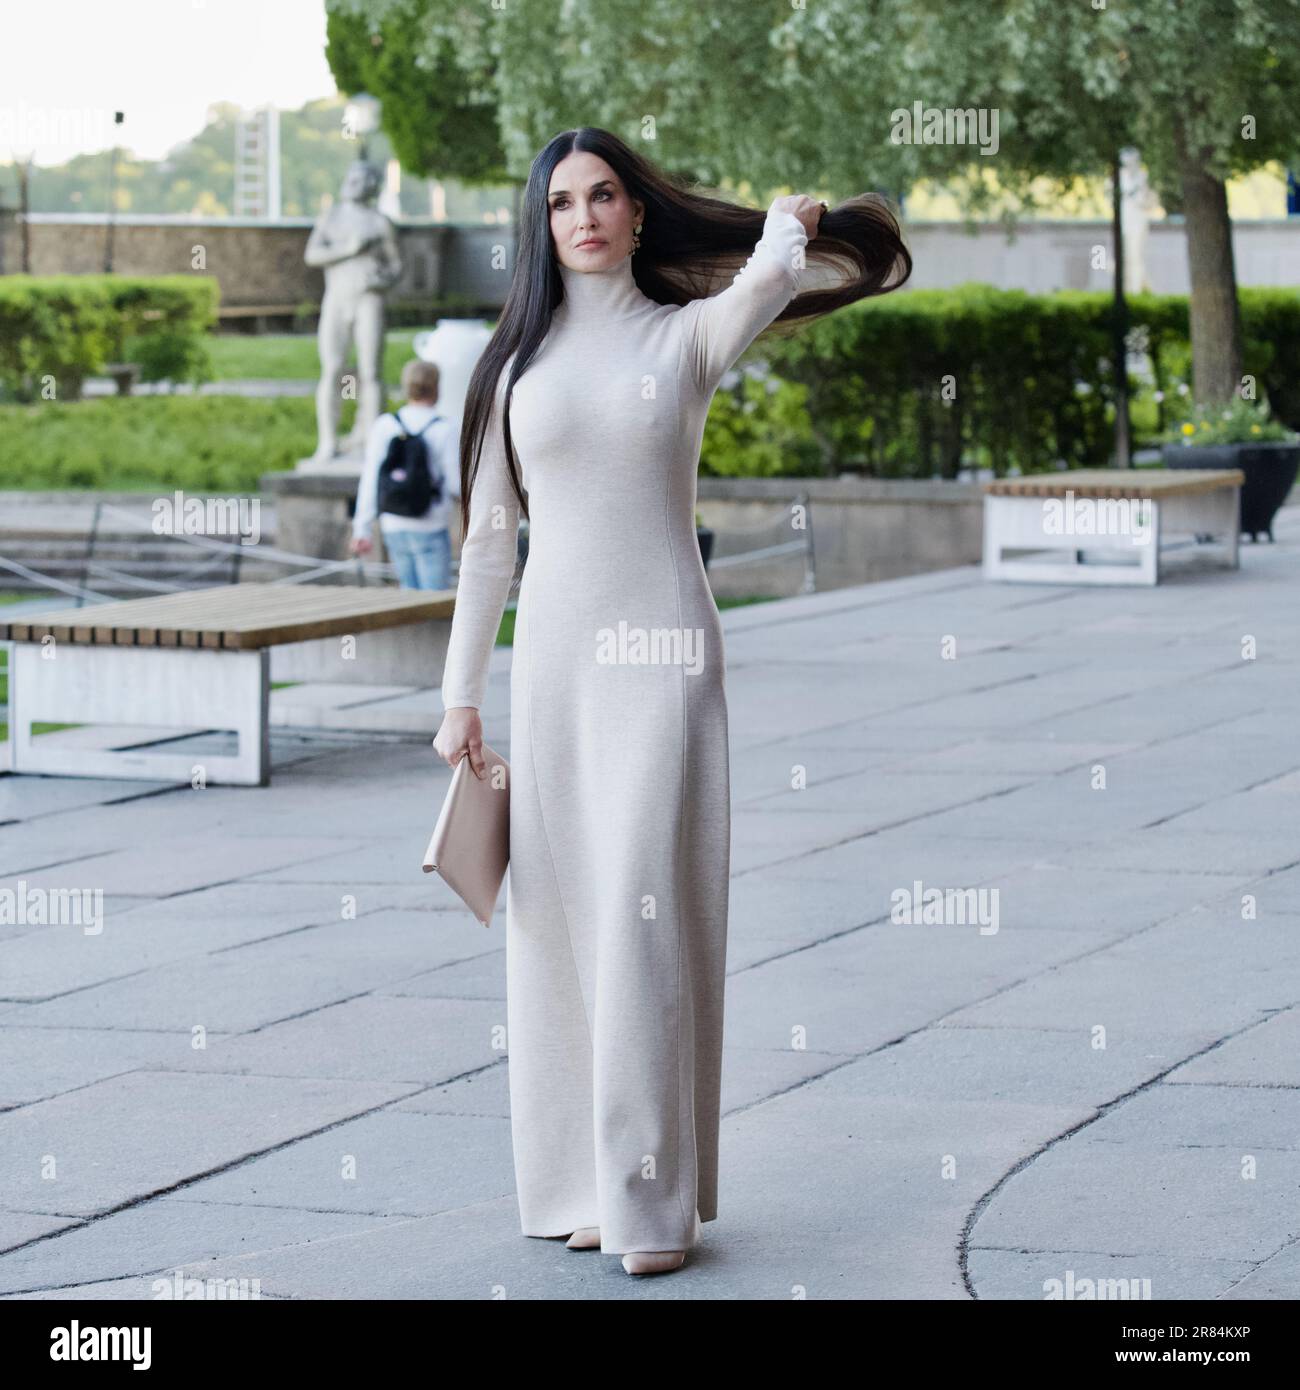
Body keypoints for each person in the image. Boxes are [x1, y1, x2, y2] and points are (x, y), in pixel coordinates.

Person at [432, 128, 910, 1276]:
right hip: (553, 669)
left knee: (644, 913)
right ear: (540, 227)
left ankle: (648, 1207)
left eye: (604, 196)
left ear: (638, 213)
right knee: (559, 925)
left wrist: (789, 226)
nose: (584, 216)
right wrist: (460, 695)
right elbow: (490, 545)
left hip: (665, 665)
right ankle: (580, 1184)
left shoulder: (684, 341)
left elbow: (764, 279)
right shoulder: (512, 371)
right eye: (561, 203)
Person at [350, 359, 461, 589]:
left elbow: (372, 479)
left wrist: (362, 528)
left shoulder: (385, 425)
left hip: (393, 523)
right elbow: (455, 484)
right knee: (434, 603)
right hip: (431, 523)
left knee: (408, 597)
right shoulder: (445, 428)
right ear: (436, 388)